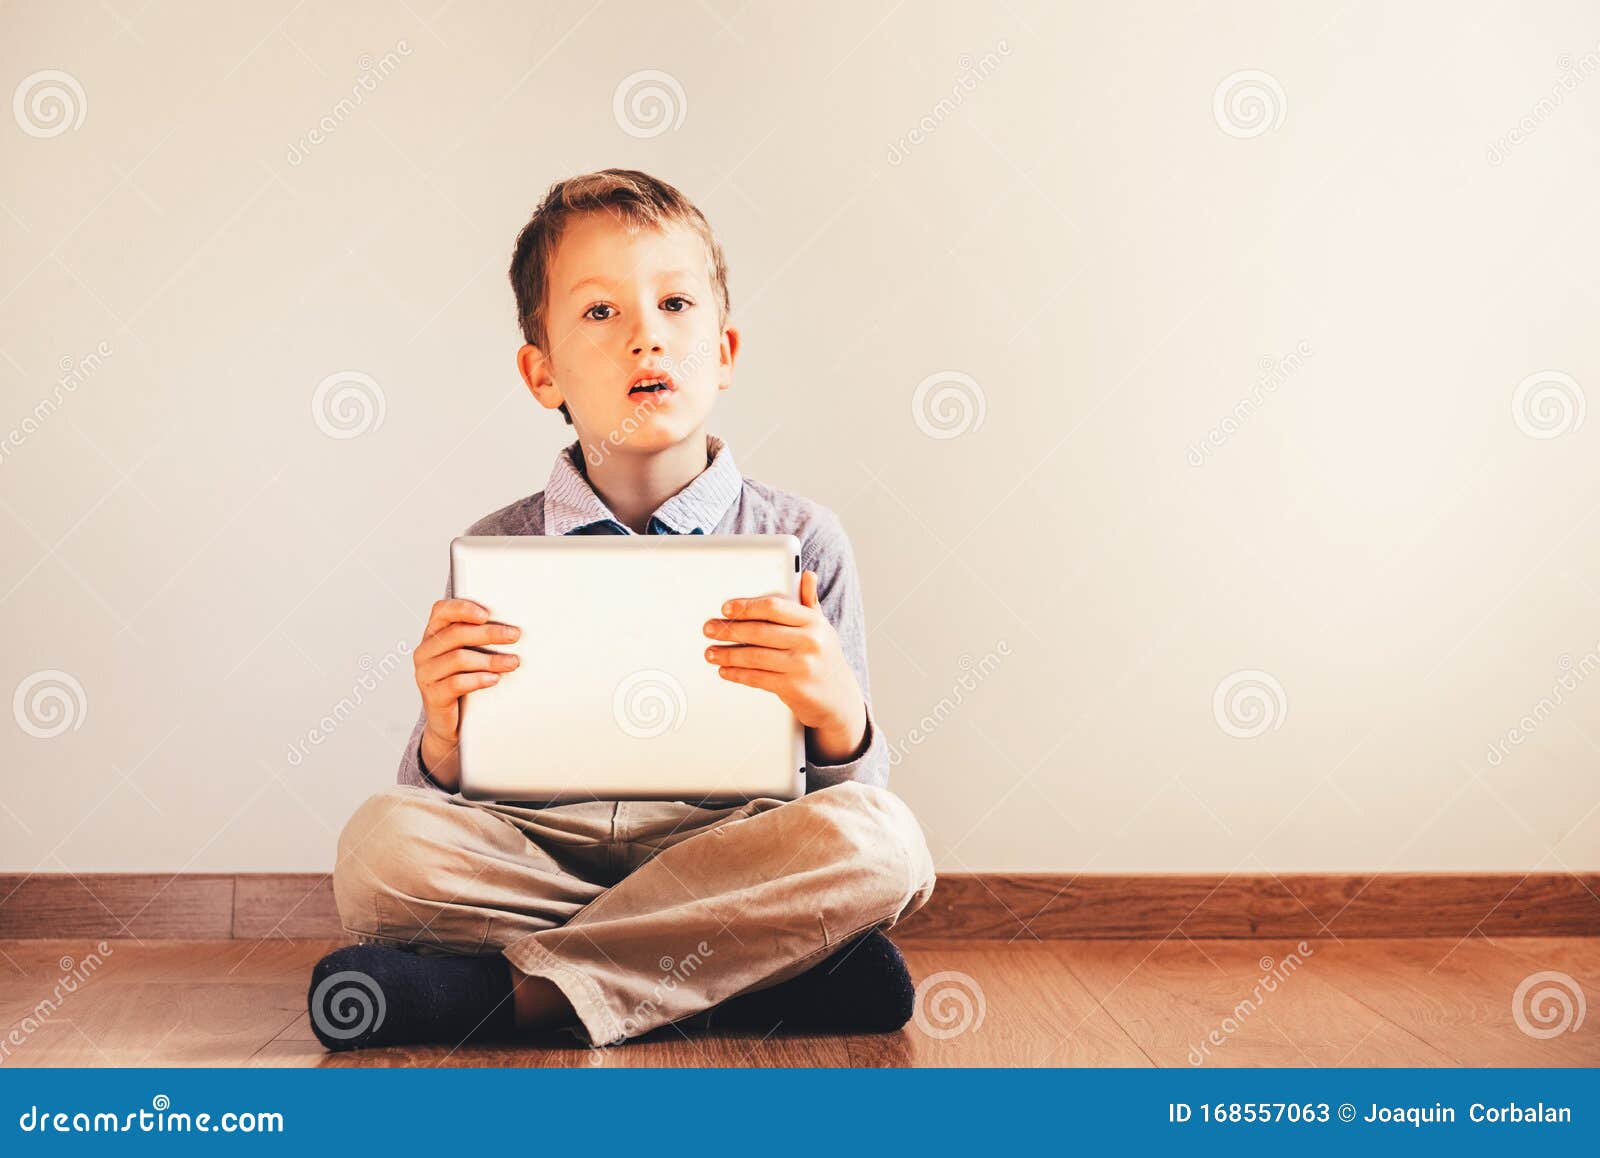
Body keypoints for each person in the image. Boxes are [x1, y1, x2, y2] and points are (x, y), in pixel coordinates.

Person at [308, 169, 935, 1052]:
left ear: (724, 352)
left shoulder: (803, 538)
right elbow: (434, 804)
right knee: (379, 849)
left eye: (676, 304)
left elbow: (853, 799)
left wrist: (838, 715)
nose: (647, 336)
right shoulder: (496, 546)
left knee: (883, 843)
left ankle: (527, 995)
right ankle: (737, 969)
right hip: (541, 849)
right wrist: (442, 736)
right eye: (601, 312)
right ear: (542, 373)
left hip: (729, 844)